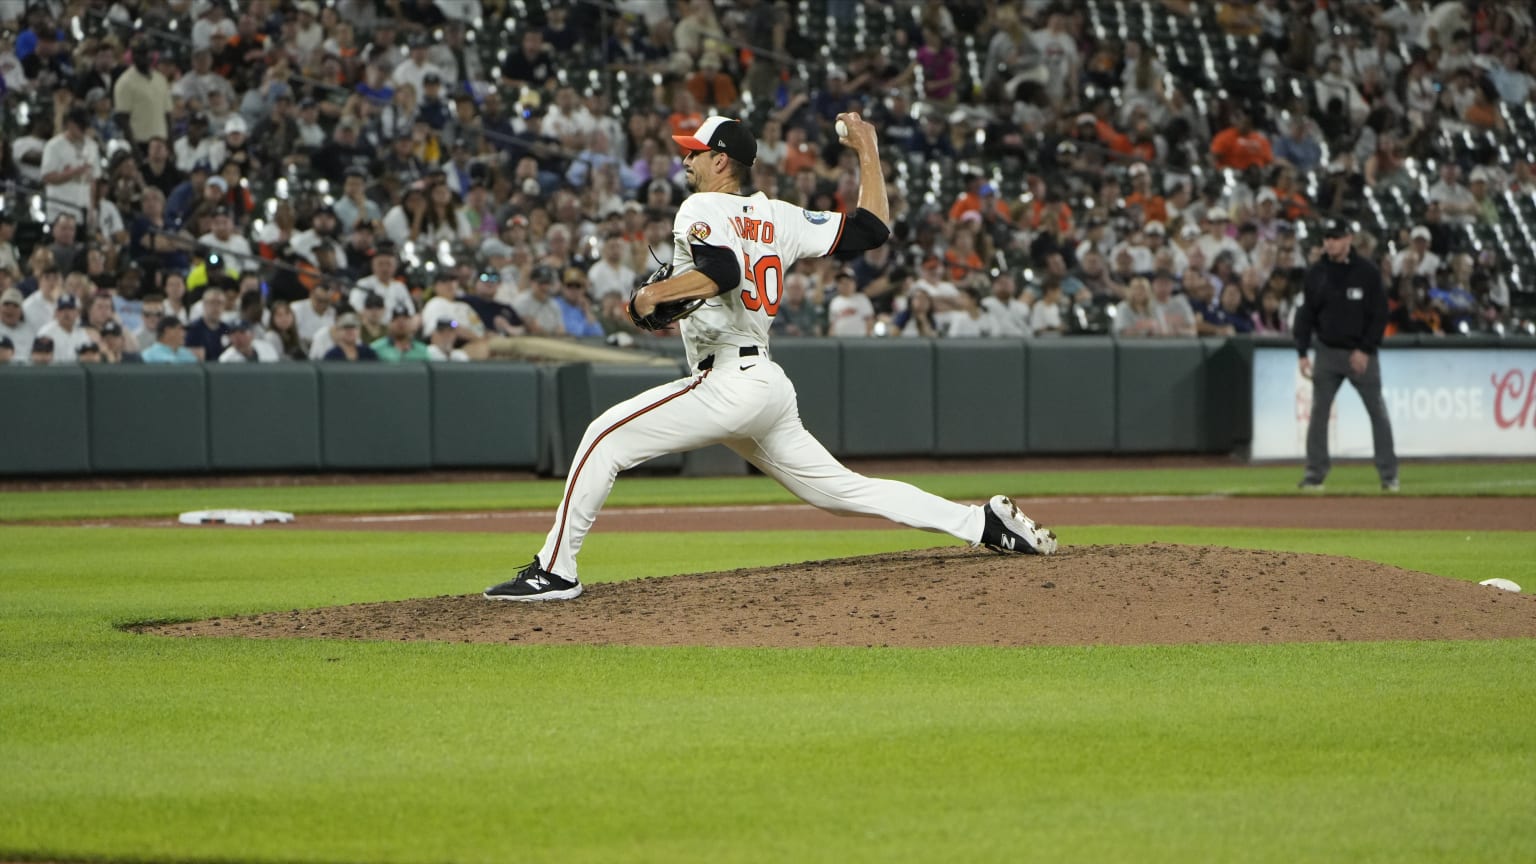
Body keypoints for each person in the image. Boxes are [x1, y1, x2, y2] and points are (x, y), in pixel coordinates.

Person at [484, 114, 1058, 602]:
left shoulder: (701, 205)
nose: (686, 161)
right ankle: (982, 523)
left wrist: (650, 297)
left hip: (727, 381)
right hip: (766, 385)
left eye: (695, 153)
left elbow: (723, 271)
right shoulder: (780, 216)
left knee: (601, 438)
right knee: (842, 492)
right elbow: (872, 229)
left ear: (722, 160)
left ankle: (555, 571)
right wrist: (868, 150)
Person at [1294, 219, 1397, 492]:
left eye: (1336, 237)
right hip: (1327, 352)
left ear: (1349, 239)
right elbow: (1306, 314)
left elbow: (1380, 314)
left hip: (1361, 354)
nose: (1330, 243)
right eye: (1327, 238)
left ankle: (1389, 475)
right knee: (1319, 414)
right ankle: (1314, 474)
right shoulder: (1317, 273)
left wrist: (1365, 349)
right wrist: (1302, 351)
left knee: (1377, 412)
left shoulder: (1367, 272)